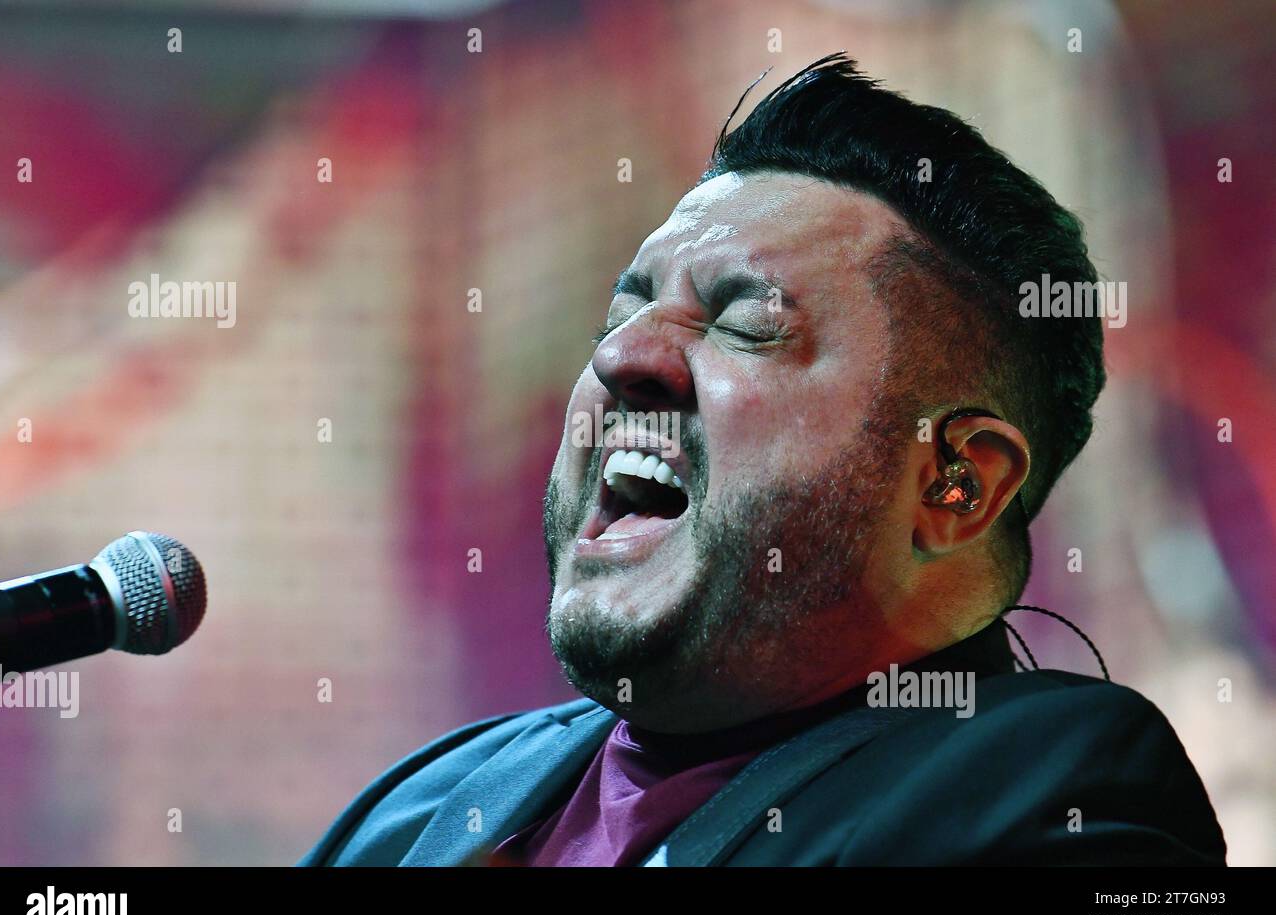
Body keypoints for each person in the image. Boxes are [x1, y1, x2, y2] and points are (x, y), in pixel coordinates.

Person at [301, 53, 1226, 866]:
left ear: (957, 483)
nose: (622, 359)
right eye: (620, 317)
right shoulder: (420, 803)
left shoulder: (1052, 788)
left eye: (744, 324)